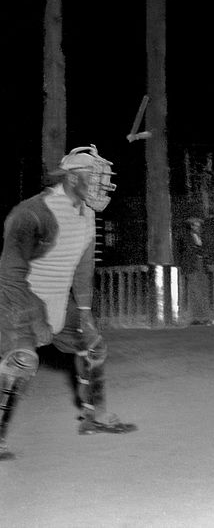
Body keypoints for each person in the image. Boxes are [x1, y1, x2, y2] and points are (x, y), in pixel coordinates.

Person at [1, 146, 137, 459]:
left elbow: (83, 266)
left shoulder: (87, 214)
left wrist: (86, 312)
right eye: (95, 178)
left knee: (93, 347)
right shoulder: (32, 213)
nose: (102, 186)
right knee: (20, 362)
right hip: (17, 298)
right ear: (73, 178)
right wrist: (35, 318)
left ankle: (94, 416)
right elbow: (9, 275)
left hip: (58, 300)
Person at [177, 217, 213, 325]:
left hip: (202, 265)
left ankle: (205, 317)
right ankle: (196, 318)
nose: (197, 227)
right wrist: (183, 266)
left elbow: (205, 250)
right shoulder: (185, 237)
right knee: (195, 292)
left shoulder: (201, 237)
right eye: (195, 225)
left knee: (203, 291)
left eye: (198, 225)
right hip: (191, 266)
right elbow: (181, 252)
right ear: (191, 226)